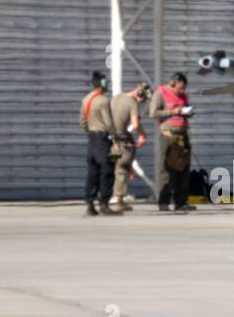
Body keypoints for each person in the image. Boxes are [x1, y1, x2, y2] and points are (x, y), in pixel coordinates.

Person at [151, 72, 194, 212]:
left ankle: (181, 202)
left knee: (183, 169)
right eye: (180, 87)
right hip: (168, 136)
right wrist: (173, 111)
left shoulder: (183, 95)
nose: (182, 91)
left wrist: (188, 112)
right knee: (166, 170)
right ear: (173, 83)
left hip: (182, 136)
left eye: (184, 88)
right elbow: (153, 113)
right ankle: (163, 202)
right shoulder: (160, 93)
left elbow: (184, 108)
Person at [80, 71, 117, 216]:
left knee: (92, 172)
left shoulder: (86, 99)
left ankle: (90, 204)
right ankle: (104, 204)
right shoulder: (103, 100)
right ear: (101, 84)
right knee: (107, 172)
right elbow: (109, 123)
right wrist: (115, 137)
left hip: (92, 139)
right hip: (103, 139)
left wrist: (90, 131)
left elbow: (82, 122)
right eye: (105, 82)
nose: (107, 84)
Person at [109, 80, 150, 212]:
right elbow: (136, 124)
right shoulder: (132, 103)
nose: (142, 102)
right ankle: (120, 200)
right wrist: (142, 135)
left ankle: (112, 195)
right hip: (122, 140)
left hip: (112, 139)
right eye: (143, 100)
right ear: (140, 94)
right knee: (122, 168)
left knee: (115, 168)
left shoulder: (118, 97)